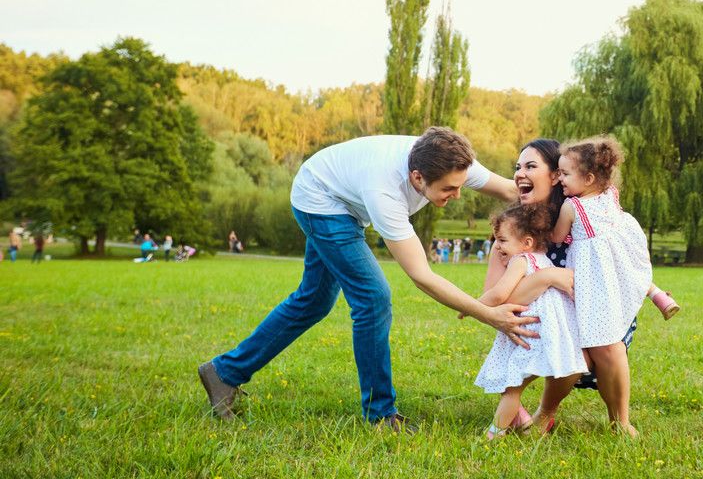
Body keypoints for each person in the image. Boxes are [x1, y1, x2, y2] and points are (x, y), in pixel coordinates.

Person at [197, 127, 532, 431]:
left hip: (336, 189)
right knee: (372, 299)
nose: (457, 195)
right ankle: (380, 415)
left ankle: (224, 372)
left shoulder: (451, 160)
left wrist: (563, 203)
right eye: (448, 189)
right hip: (321, 201)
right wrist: (487, 314)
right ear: (417, 178)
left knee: (312, 301)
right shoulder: (384, 191)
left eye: (460, 185)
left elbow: (508, 190)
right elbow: (421, 275)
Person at [549, 136, 677, 436]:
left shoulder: (571, 206)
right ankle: (655, 293)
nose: (559, 179)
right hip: (616, 264)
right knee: (632, 277)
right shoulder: (611, 194)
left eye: (565, 174)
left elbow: (557, 239)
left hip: (591, 275)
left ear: (589, 178)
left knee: (599, 339)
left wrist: (563, 236)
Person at [475, 204, 586, 439]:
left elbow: (499, 294)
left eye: (503, 240)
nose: (498, 246)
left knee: (511, 387)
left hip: (532, 334)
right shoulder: (544, 260)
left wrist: (471, 306)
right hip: (553, 335)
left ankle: (494, 435)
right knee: (514, 384)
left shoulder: (521, 260)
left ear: (526, 243)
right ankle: (521, 422)